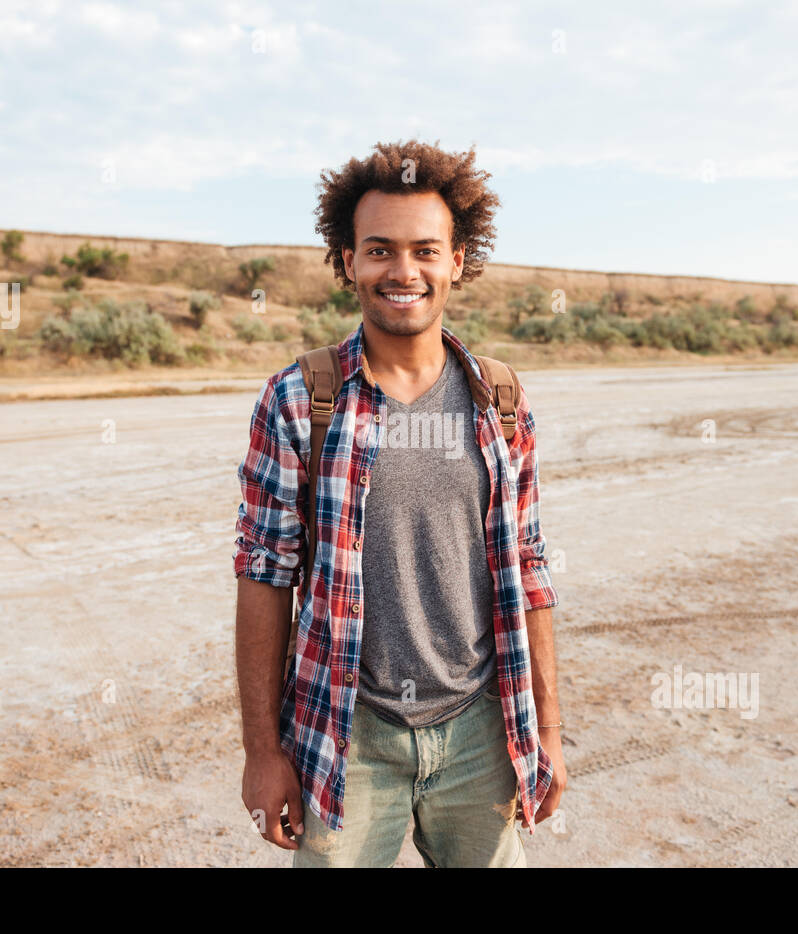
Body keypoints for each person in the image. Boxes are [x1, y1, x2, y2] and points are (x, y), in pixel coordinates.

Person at [233, 139, 564, 867]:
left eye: (424, 250)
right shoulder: (298, 401)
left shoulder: (501, 400)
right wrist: (264, 750)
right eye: (379, 249)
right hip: (348, 734)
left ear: (457, 259)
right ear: (348, 260)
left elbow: (530, 568)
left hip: (482, 728)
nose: (402, 271)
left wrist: (548, 731)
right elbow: (264, 574)